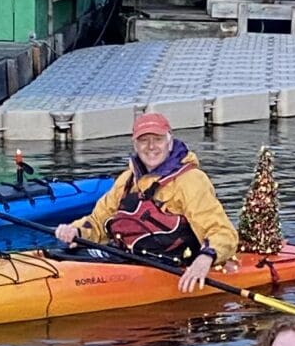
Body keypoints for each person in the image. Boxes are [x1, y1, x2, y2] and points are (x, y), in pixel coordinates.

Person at [56, 111, 239, 295]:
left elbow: (222, 231)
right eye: (143, 140)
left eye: (157, 139)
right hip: (127, 260)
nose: (151, 146)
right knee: (60, 252)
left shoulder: (191, 181)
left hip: (173, 264)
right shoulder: (127, 180)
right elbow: (97, 222)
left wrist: (206, 258)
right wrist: (77, 231)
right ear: (135, 144)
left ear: (170, 141)